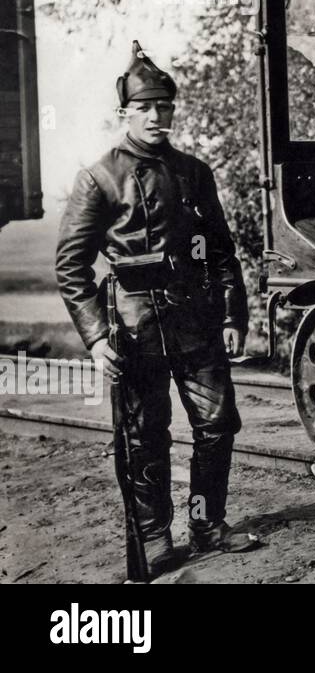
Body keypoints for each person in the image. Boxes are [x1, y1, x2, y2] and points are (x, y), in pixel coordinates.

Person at [55, 42, 259, 578]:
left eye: (164, 106)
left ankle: (207, 521)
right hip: (133, 323)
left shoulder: (194, 172)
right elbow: (71, 268)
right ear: (125, 114)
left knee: (217, 425)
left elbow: (221, 251)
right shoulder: (98, 178)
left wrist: (235, 316)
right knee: (147, 433)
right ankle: (154, 534)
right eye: (145, 107)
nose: (156, 116)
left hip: (195, 319)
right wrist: (97, 337)